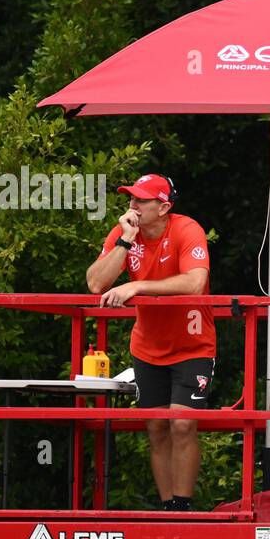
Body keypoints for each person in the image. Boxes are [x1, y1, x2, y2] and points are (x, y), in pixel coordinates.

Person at [85, 173, 215, 511]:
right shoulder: (124, 232)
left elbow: (195, 282)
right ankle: (168, 507)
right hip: (148, 347)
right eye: (131, 197)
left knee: (183, 423)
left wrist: (137, 287)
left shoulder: (187, 229)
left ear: (164, 206)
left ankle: (182, 508)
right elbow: (96, 283)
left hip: (193, 345)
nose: (133, 204)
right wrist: (125, 241)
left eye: (142, 199)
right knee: (157, 427)